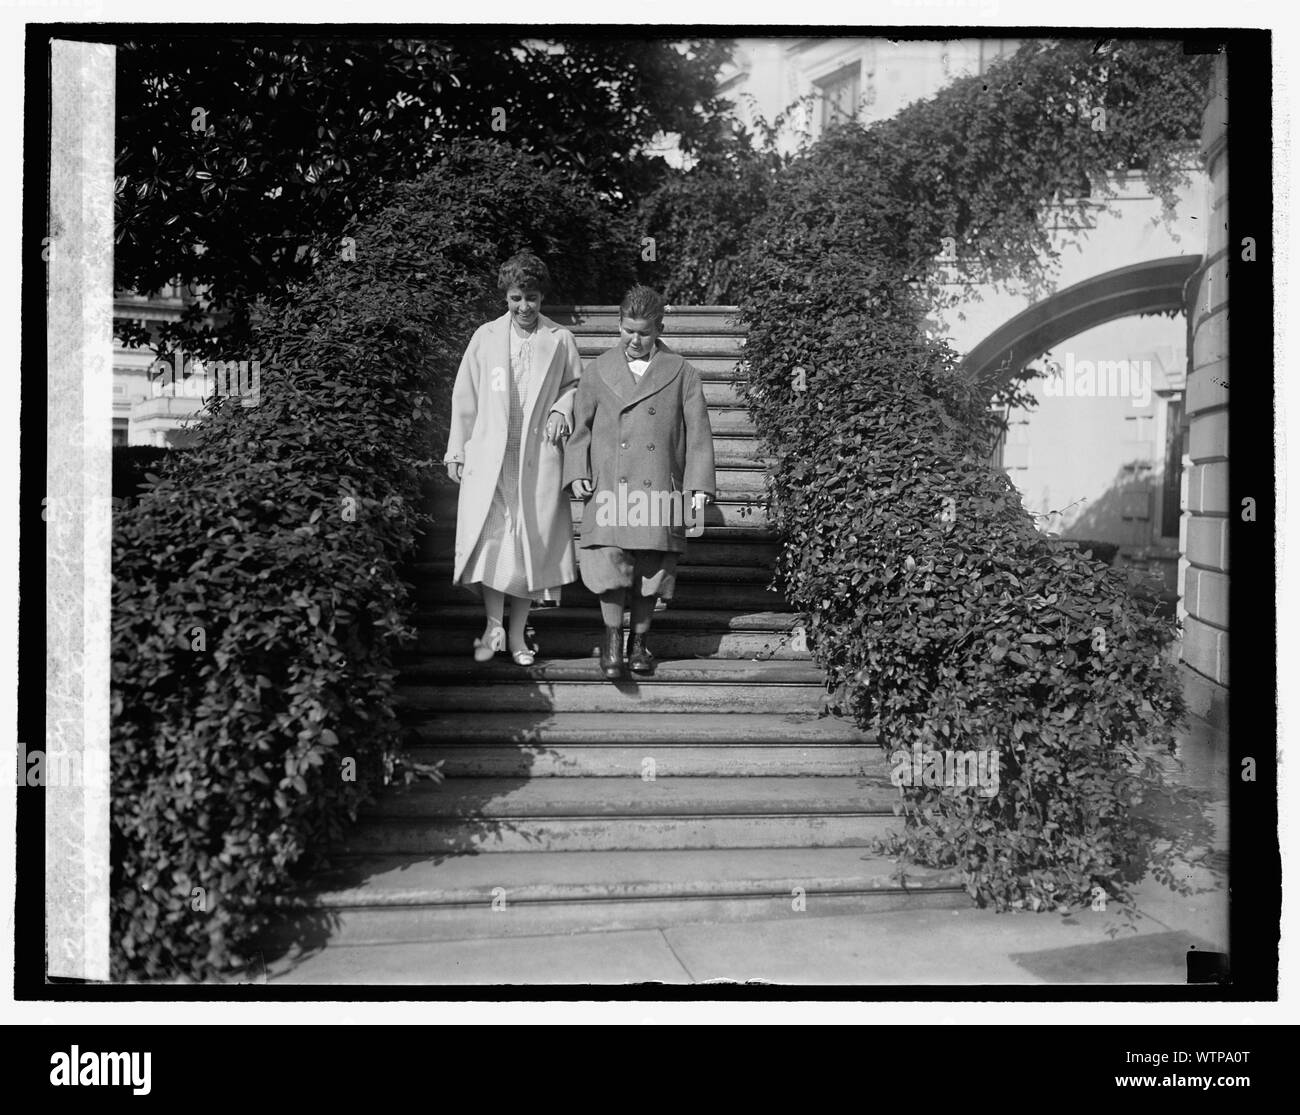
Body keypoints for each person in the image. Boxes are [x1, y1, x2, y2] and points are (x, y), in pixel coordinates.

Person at [563, 285, 716, 679]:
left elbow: (698, 435)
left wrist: (697, 488)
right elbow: (580, 429)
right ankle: (612, 641)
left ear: (659, 328)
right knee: (608, 562)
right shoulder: (597, 371)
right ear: (618, 325)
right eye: (628, 330)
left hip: (658, 489)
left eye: (644, 332)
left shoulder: (682, 372)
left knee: (652, 568)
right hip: (610, 487)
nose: (635, 339)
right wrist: (578, 471)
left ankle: (640, 644)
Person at [443, 252, 582, 665]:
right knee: (491, 541)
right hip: (491, 457)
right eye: (516, 298)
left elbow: (576, 385)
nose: (524, 307)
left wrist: (563, 406)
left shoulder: (560, 339)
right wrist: (456, 448)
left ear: (543, 298)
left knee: (525, 547)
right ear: (506, 296)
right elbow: (464, 396)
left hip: (536, 457)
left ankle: (519, 636)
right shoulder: (485, 337)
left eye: (533, 298)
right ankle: (493, 624)